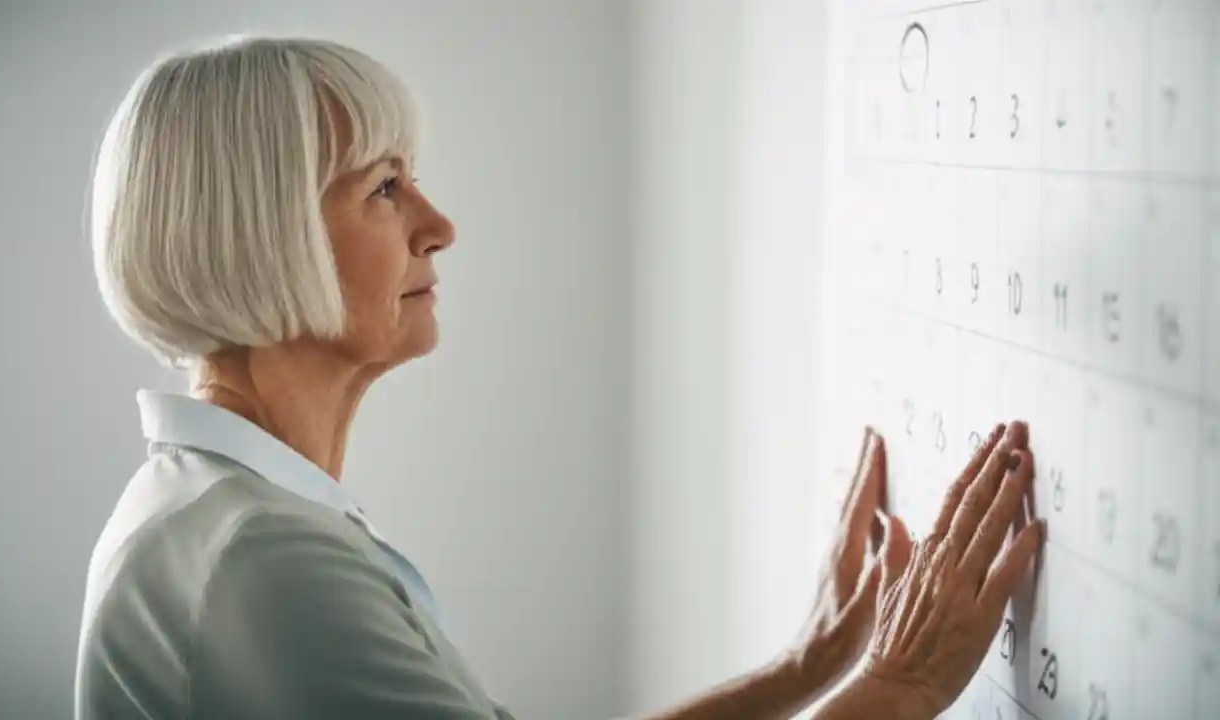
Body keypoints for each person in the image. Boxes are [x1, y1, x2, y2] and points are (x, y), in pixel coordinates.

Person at [75, 35, 1044, 719]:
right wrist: (901, 687)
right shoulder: (259, 562)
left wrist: (804, 668)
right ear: (261, 236)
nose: (437, 225)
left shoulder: (221, 515)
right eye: (384, 188)